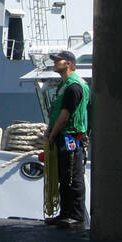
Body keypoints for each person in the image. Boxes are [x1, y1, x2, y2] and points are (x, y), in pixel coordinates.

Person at [42, 50, 90, 229]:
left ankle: (75, 216)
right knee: (63, 176)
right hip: (64, 135)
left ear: (68, 63)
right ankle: (65, 213)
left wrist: (53, 135)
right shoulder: (65, 85)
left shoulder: (74, 86)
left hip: (71, 136)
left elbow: (65, 114)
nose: (54, 63)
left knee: (72, 176)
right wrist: (50, 129)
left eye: (58, 60)